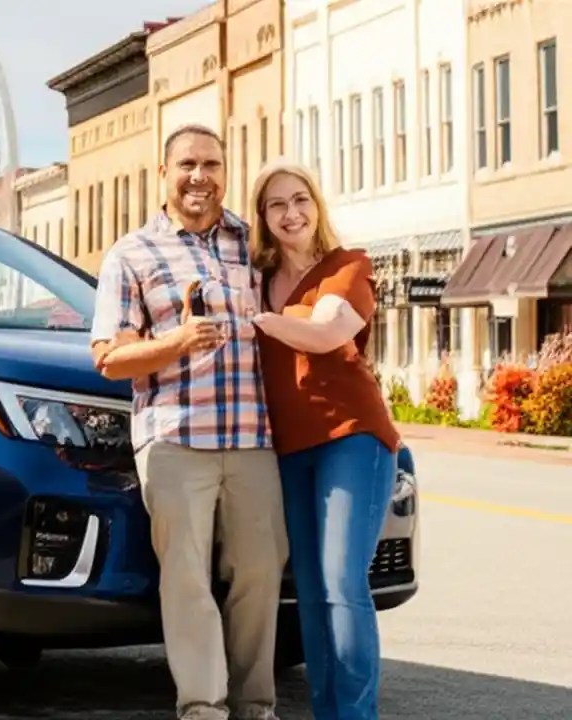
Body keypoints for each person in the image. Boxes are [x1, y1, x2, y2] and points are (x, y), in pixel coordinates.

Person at [90, 124, 288, 720]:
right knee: (187, 578)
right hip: (176, 438)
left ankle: (257, 705)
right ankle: (203, 705)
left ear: (226, 171)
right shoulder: (131, 254)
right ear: (164, 174)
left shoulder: (256, 246)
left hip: (254, 437)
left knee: (260, 571)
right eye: (187, 165)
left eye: (212, 163)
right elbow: (108, 357)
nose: (200, 176)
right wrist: (177, 342)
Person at [247, 158, 400, 720]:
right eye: (277, 204)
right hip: (291, 449)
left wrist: (258, 320)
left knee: (341, 583)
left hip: (351, 437)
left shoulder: (346, 266)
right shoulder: (256, 278)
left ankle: (355, 716)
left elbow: (327, 332)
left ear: (318, 206)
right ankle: (325, 711)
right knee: (310, 594)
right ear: (263, 217)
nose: (292, 213)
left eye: (301, 199)